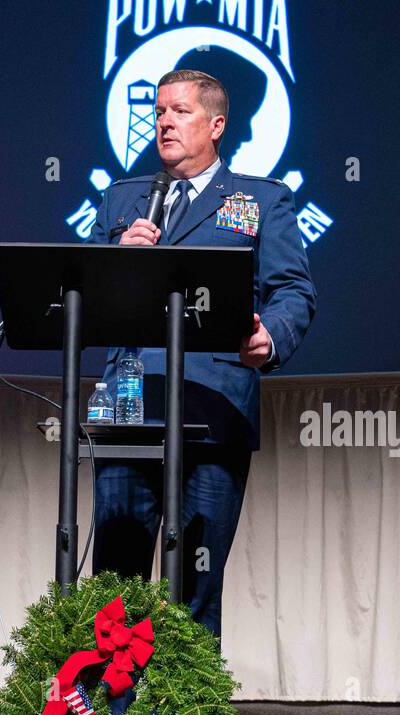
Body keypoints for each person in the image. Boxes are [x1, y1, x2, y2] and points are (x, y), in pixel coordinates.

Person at [88, 69, 316, 638]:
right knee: (117, 574)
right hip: (129, 407)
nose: (164, 121)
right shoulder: (123, 200)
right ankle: (113, 712)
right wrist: (116, 257)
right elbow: (79, 291)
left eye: (181, 111)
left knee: (196, 575)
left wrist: (272, 337)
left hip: (213, 409)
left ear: (216, 125)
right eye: (160, 110)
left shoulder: (262, 199)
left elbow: (293, 289)